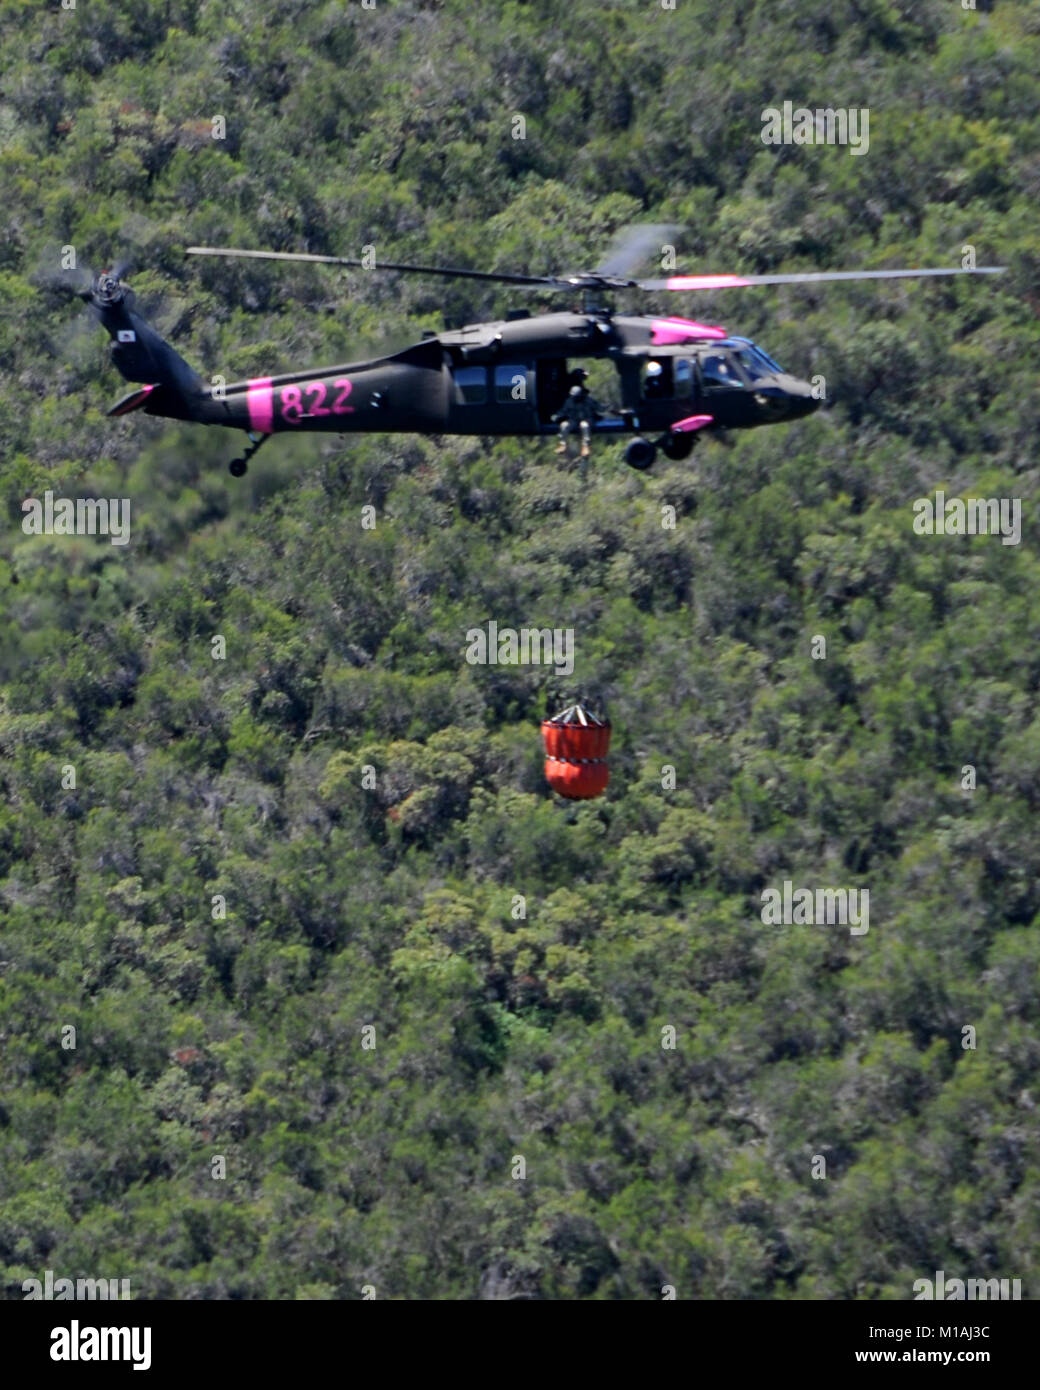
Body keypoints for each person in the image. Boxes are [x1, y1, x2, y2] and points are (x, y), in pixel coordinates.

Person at [553, 368, 601, 461]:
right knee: (564, 425)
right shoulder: (569, 401)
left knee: (584, 426)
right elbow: (563, 411)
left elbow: (598, 407)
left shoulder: (587, 400)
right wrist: (556, 416)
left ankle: (585, 446)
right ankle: (563, 445)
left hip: (585, 420)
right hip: (574, 420)